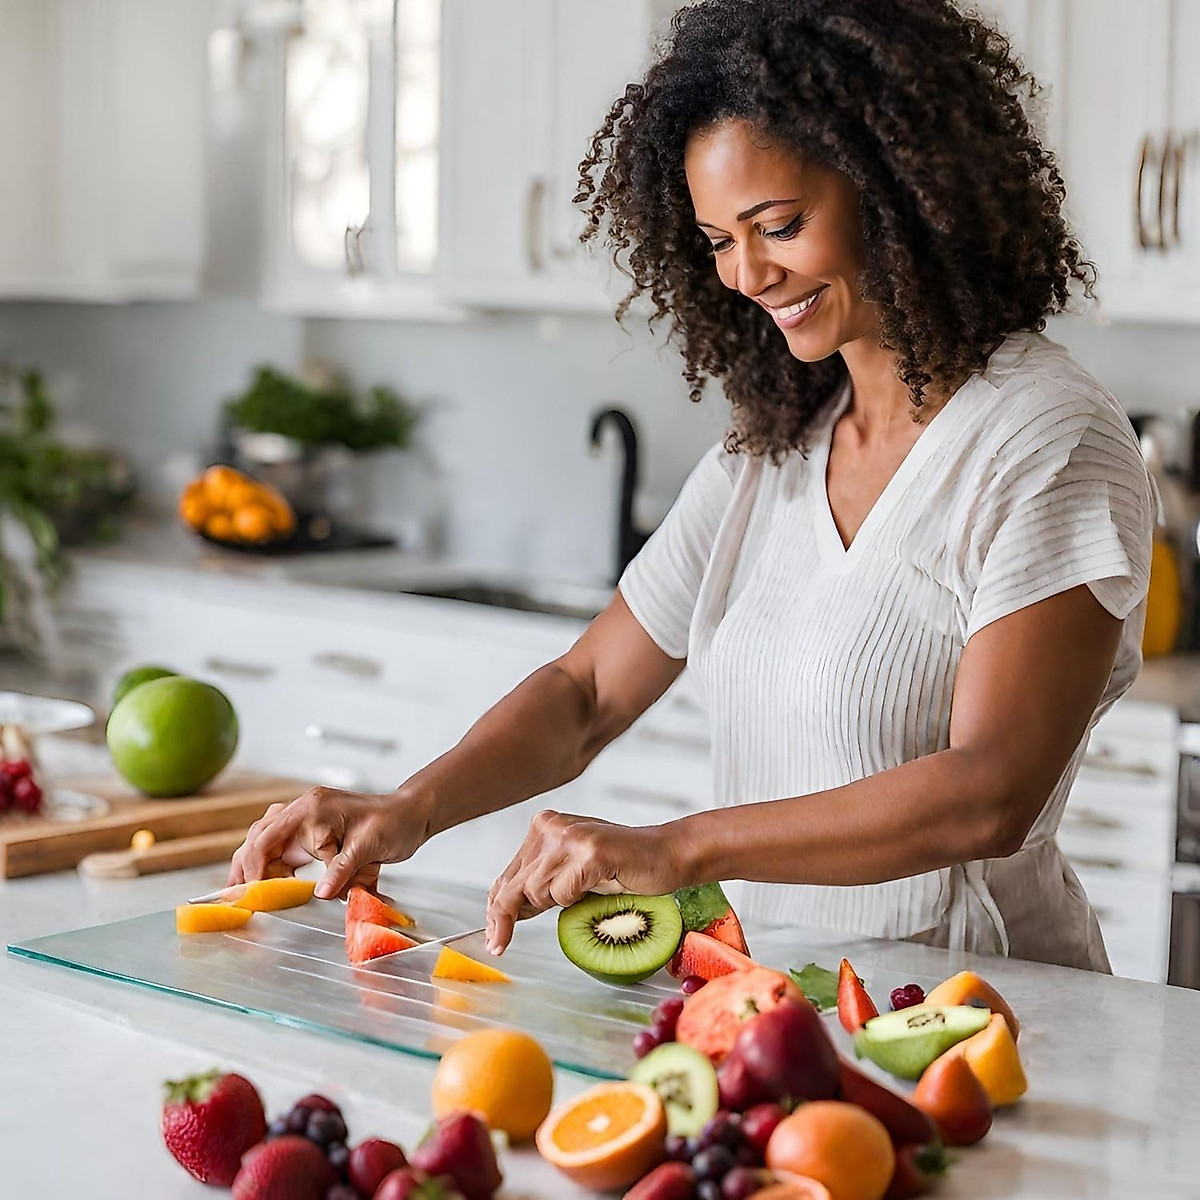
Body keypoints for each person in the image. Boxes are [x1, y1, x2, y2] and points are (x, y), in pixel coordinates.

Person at [229, 0, 1153, 973]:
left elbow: (990, 792)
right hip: (774, 997)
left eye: (779, 225)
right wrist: (408, 807)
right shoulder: (777, 446)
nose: (747, 274)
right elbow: (586, 691)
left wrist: (677, 846)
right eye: (717, 239)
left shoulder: (1046, 439)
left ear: (900, 189)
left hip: (982, 1011)